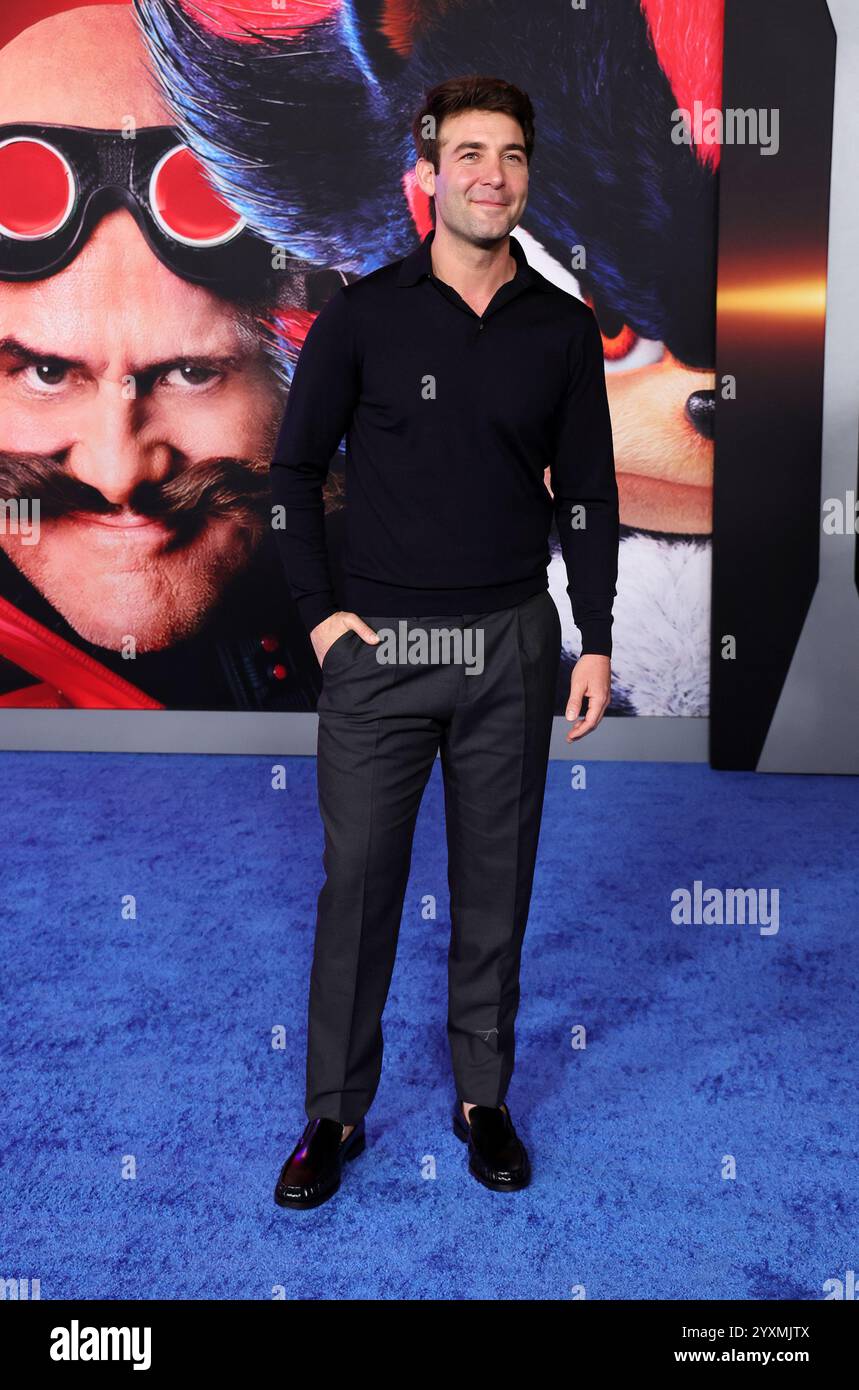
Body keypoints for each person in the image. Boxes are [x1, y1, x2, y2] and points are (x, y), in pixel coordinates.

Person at [272, 77, 619, 1207]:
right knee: (360, 883)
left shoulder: (563, 332)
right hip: (380, 651)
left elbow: (592, 498)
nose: (491, 175)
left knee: (493, 886)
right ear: (429, 171)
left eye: (511, 155)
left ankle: (483, 1096)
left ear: (527, 174)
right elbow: (288, 475)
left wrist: (595, 636)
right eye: (469, 152)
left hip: (513, 646)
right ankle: (334, 1113)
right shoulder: (364, 316)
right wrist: (323, 615)